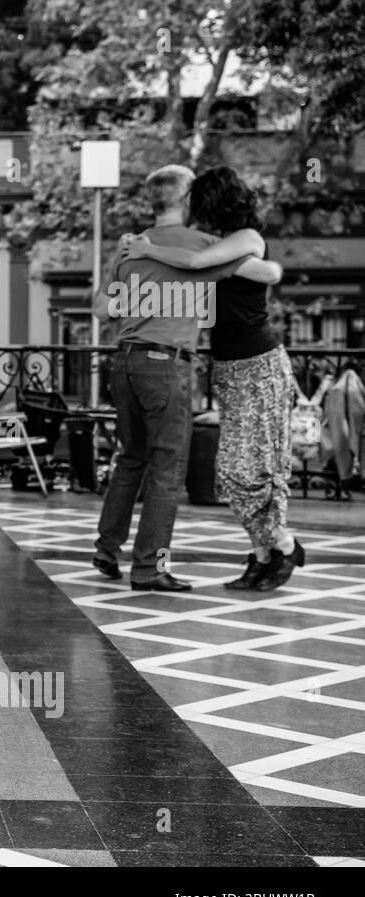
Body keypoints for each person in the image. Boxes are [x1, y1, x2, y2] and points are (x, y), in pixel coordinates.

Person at [90, 165, 282, 591]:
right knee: (167, 469)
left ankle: (107, 548)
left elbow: (102, 311)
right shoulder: (204, 244)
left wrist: (144, 294)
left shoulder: (129, 248)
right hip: (167, 363)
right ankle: (150, 567)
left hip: (123, 362)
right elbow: (266, 273)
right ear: (188, 198)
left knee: (130, 457)